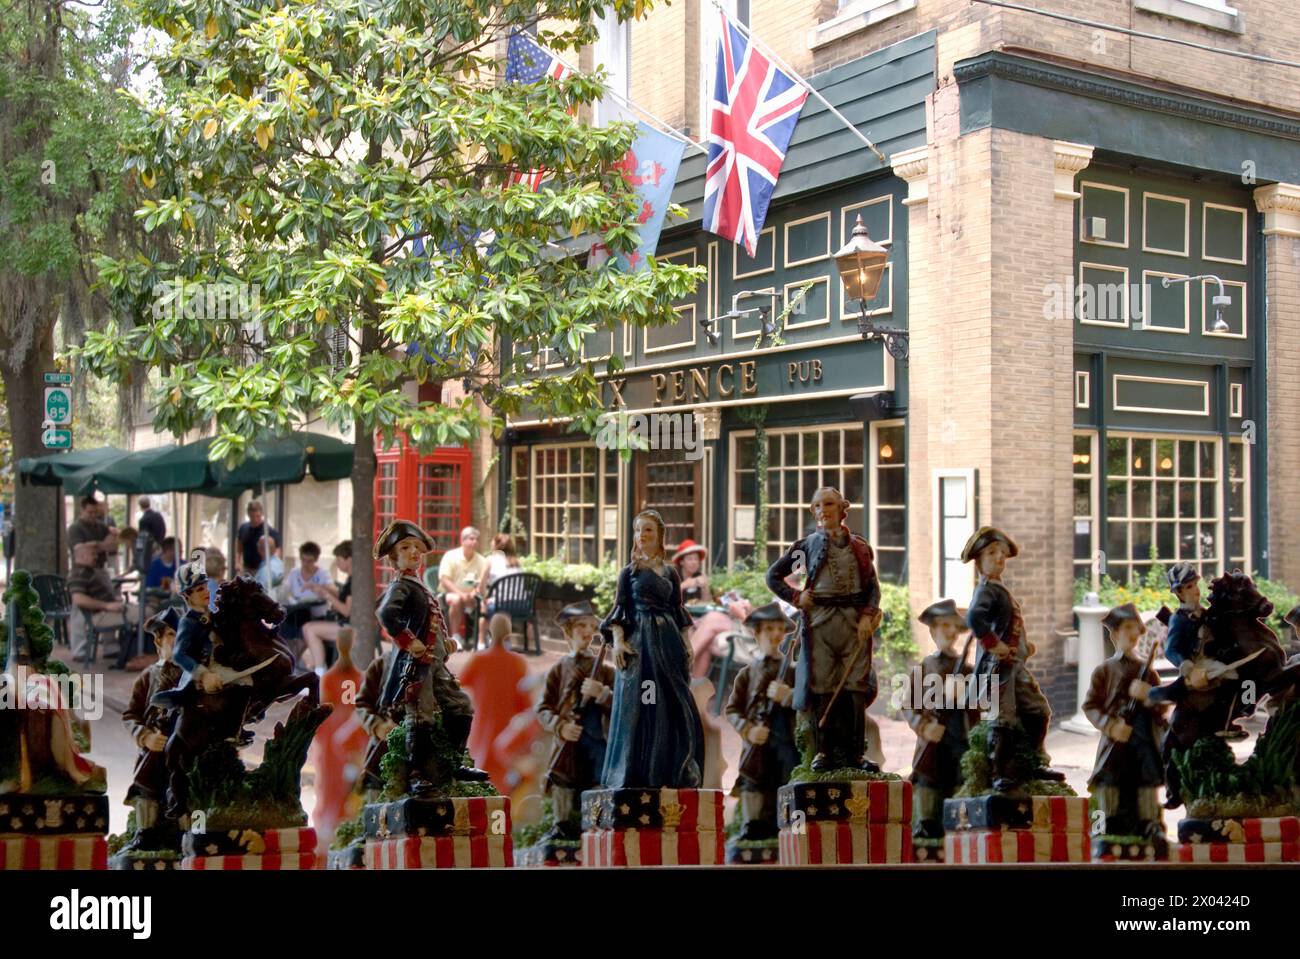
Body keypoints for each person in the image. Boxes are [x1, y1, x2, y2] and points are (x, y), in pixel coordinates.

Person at [765, 486, 882, 773]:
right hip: (820, 624)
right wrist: (796, 597)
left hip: (854, 624)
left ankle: (855, 754)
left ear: (843, 508)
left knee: (854, 686)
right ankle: (824, 752)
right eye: (817, 506)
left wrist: (868, 615)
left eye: (829, 504)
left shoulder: (860, 548)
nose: (823, 510)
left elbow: (872, 588)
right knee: (822, 686)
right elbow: (773, 576)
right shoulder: (806, 548)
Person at [374, 519, 487, 791]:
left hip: (435, 663)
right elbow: (387, 614)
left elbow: (431, 617)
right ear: (393, 556)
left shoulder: (418, 584)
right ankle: (417, 775)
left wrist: (445, 641)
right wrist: (407, 640)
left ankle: (451, 762)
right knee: (421, 717)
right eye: (405, 547)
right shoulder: (401, 586)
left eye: (417, 548)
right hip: (416, 666)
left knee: (461, 707)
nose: (414, 552)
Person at [600, 509, 706, 789]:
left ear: (659, 535)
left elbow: (677, 610)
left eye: (647, 530)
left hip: (668, 642)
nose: (641, 535)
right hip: (640, 645)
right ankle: (635, 772)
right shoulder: (629, 573)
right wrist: (620, 641)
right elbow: (619, 612)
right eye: (637, 530)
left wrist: (686, 645)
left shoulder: (670, 573)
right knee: (642, 703)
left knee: (669, 703)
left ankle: (669, 768)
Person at [963, 526, 1066, 792]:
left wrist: (1022, 647)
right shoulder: (986, 590)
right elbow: (975, 617)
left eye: (1002, 554)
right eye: (992, 553)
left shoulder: (1000, 589)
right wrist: (993, 645)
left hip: (1014, 666)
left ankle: (1033, 762)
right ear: (979, 560)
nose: (999, 558)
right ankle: (1001, 773)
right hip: (997, 669)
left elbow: (1007, 624)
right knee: (1002, 719)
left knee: (1037, 710)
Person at [1085, 603, 1167, 841]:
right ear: (1115, 633)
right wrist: (1110, 726)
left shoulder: (1147, 671)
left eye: (1136, 628)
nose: (1133, 633)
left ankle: (1150, 823)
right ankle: (1104, 825)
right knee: (1109, 778)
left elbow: (1161, 708)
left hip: (1141, 739)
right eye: (1127, 627)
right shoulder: (1104, 671)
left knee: (1146, 779)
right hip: (1116, 738)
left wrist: (1149, 696)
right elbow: (1091, 707)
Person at [536, 601, 614, 840]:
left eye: (591, 627)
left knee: (598, 781)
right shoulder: (559, 669)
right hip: (570, 740)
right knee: (563, 781)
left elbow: (620, 709)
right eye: (581, 626)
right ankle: (562, 826)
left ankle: (596, 828)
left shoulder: (607, 670)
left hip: (597, 741)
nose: (587, 632)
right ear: (569, 633)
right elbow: (543, 709)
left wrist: (602, 693)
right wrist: (560, 726)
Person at [905, 599, 980, 840]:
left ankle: (958, 822)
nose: (950, 631)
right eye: (944, 625)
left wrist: (965, 695)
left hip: (959, 737)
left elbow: (982, 706)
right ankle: (925, 823)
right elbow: (908, 705)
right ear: (933, 629)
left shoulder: (968, 671)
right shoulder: (925, 667)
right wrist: (923, 727)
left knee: (960, 778)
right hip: (933, 738)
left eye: (954, 626)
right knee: (928, 780)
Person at [725, 602, 799, 842]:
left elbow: (808, 704)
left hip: (786, 738)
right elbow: (733, 710)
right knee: (752, 780)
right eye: (769, 629)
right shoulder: (747, 673)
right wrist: (748, 730)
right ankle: (752, 824)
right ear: (756, 633)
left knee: (788, 777)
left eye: (779, 629)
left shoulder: (793, 670)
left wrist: (789, 696)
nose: (776, 634)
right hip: (758, 738)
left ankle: (790, 826)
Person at [120, 607, 183, 853]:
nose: (176, 640)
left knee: (189, 792)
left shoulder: (192, 676)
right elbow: (130, 715)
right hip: (156, 749)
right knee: (146, 786)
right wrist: (145, 737)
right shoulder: (147, 677)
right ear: (159, 640)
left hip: (184, 748)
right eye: (170, 634)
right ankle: (145, 833)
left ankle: (193, 834)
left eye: (180, 634)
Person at [458, 613, 532, 789]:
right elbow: (525, 702)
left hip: (483, 720)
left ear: (490, 631)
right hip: (507, 723)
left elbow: (460, 682)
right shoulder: (518, 662)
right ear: (509, 632)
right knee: (503, 769)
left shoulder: (478, 659)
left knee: (480, 763)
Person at [67, 495, 135, 662]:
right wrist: (100, 544)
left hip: (101, 569)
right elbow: (80, 548)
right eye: (90, 512)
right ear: (82, 509)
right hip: (82, 571)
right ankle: (79, 650)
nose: (93, 516)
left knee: (110, 600)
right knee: (80, 611)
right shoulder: (75, 528)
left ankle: (110, 646)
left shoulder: (100, 526)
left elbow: (114, 543)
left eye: (95, 512)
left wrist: (98, 544)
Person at [301, 541, 354, 672]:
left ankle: (320, 673)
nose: (337, 563)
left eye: (339, 559)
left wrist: (327, 596)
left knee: (309, 629)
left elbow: (347, 611)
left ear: (349, 560)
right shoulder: (351, 579)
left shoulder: (354, 582)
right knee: (310, 626)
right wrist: (322, 588)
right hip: (345, 623)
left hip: (349, 627)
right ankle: (318, 667)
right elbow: (341, 596)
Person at [438, 525, 489, 649]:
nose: (474, 542)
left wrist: (474, 593)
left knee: (486, 603)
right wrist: (461, 594)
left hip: (472, 595)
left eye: (476, 539)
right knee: (456, 600)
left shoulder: (481, 560)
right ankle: (455, 636)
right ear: (462, 541)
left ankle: (482, 638)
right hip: (450, 593)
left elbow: (483, 582)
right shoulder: (451, 556)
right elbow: (444, 580)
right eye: (471, 539)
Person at [477, 533, 522, 647]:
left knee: (484, 604)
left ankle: (481, 642)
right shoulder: (517, 561)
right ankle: (504, 641)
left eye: (492, 541)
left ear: (496, 545)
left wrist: (484, 597)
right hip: (520, 605)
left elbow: (482, 585)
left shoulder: (490, 560)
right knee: (503, 608)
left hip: (501, 604)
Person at [236, 500, 281, 574]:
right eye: (252, 516)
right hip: (247, 568)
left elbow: (277, 551)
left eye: (258, 516)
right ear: (248, 515)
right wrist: (237, 562)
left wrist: (273, 567)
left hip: (263, 569)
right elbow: (239, 547)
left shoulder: (269, 531)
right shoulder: (243, 528)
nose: (255, 519)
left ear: (262, 514)